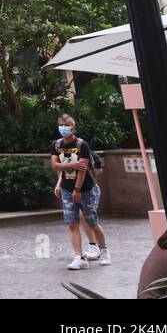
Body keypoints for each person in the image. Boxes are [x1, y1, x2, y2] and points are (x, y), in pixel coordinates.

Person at [51, 114, 110, 270]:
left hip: (86, 189)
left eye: (67, 125)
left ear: (73, 127)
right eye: (61, 124)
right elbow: (56, 166)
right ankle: (79, 256)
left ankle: (103, 250)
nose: (63, 127)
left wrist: (77, 189)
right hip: (66, 189)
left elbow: (83, 169)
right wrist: (70, 167)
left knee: (91, 221)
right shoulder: (56, 145)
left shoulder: (82, 145)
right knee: (72, 223)